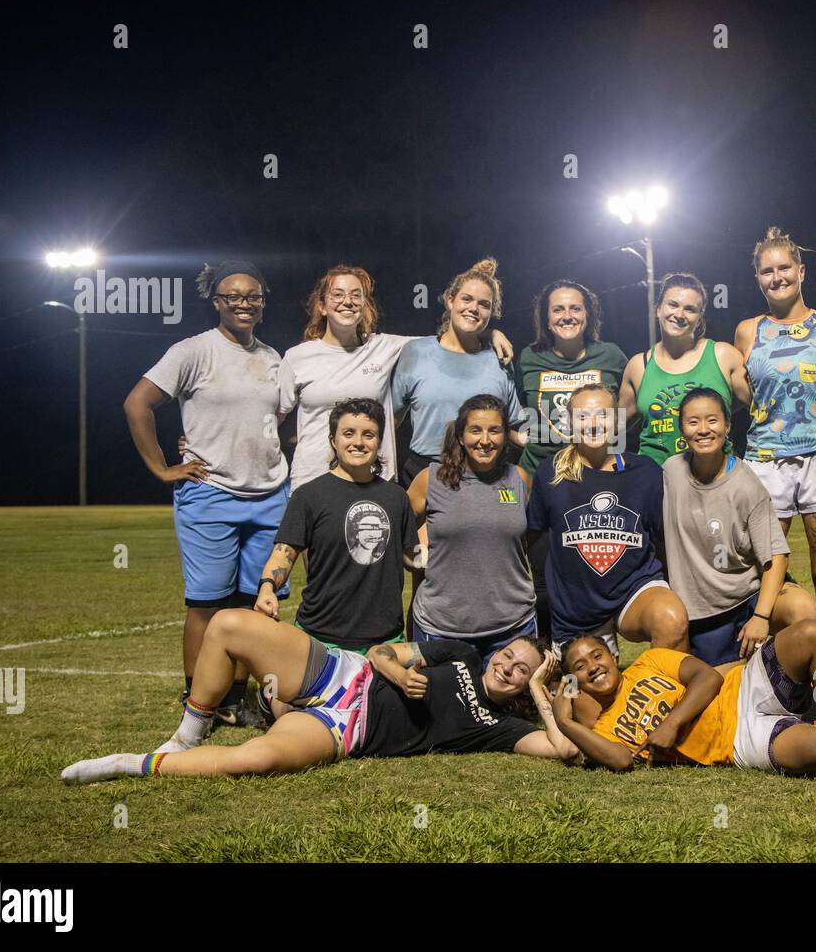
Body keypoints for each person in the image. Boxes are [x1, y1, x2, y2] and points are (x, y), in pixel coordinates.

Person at [61, 625, 578, 784]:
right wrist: (396, 670)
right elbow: (381, 651)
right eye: (508, 656)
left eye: (520, 671)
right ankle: (186, 735)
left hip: (343, 728)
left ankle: (131, 765)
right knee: (226, 626)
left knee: (255, 760)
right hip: (342, 671)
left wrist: (540, 691)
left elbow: (561, 751)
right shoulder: (460, 654)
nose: (507, 667)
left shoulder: (498, 727)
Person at [553, 621, 816, 803]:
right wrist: (564, 720)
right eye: (580, 667)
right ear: (576, 683)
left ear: (612, 656)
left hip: (746, 685)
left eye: (597, 655)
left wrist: (671, 724)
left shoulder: (648, 662)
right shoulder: (606, 730)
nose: (593, 666)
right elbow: (620, 760)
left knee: (813, 632)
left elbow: (708, 678)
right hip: (740, 741)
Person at [122, 259, 286, 728]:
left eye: (252, 295)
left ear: (262, 302)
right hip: (210, 493)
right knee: (206, 603)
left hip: (271, 492)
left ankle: (236, 698)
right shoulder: (193, 351)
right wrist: (163, 468)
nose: (243, 303)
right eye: (232, 296)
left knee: (255, 602)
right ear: (216, 302)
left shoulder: (273, 358)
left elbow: (279, 421)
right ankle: (197, 701)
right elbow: (138, 403)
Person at [278, 264, 513, 491]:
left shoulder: (385, 347)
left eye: (356, 295)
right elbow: (277, 420)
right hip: (313, 475)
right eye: (337, 294)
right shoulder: (297, 358)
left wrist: (490, 332)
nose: (347, 301)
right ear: (322, 305)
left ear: (365, 304)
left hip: (370, 478)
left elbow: (451, 339)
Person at [734, 228, 816, 658]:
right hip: (766, 463)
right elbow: (744, 396)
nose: (777, 276)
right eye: (767, 271)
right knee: (763, 579)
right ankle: (763, 681)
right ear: (758, 278)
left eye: (785, 267)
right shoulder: (748, 331)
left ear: (801, 271)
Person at [527, 383, 688, 657]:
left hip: (633, 589)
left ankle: (668, 695)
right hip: (576, 607)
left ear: (616, 420)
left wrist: (671, 587)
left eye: (602, 415)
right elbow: (536, 539)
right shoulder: (550, 473)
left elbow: (663, 538)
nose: (592, 424)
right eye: (582, 416)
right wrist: (548, 598)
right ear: (569, 422)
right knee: (581, 692)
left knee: (671, 619)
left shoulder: (644, 471)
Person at [662, 388, 816, 666]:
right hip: (703, 611)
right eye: (693, 422)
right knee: (717, 689)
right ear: (681, 430)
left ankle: (808, 699)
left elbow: (777, 557)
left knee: (802, 608)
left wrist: (761, 616)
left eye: (712, 420)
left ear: (727, 426)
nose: (703, 430)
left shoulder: (746, 483)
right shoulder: (670, 473)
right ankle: (753, 666)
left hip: (748, 597)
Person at [515, 279, 628, 641]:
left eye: (575, 308)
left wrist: (613, 447)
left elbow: (626, 410)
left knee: (592, 574)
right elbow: (513, 410)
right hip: (543, 482)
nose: (567, 315)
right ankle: (547, 659)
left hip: (592, 481)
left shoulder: (611, 355)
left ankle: (597, 657)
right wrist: (524, 436)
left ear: (588, 313)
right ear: (546, 319)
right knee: (543, 579)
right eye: (558, 309)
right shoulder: (528, 357)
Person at [258, 399, 416, 655]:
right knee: (287, 695)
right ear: (333, 440)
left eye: (369, 435)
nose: (358, 442)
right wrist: (267, 587)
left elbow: (412, 557)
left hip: (384, 640)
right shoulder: (310, 495)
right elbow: (284, 552)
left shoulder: (396, 497)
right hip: (320, 635)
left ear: (379, 441)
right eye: (348, 433)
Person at [407, 395, 538, 663]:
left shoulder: (519, 479)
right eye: (476, 430)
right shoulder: (430, 479)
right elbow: (397, 525)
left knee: (512, 705)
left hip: (512, 627)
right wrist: (416, 555)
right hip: (442, 629)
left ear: (505, 436)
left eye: (495, 430)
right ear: (460, 435)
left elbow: (532, 542)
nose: (485, 440)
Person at [391, 257, 526, 487]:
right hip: (425, 474)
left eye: (484, 304)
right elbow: (391, 420)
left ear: (491, 313)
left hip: (484, 476)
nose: (474, 308)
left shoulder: (500, 358)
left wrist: (556, 440)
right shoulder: (415, 352)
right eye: (467, 299)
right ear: (450, 301)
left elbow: (514, 427)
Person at [619, 272, 750, 465]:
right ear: (658, 309)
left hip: (715, 479)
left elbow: (762, 410)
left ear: (700, 318)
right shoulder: (639, 365)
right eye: (672, 305)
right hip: (657, 481)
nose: (679, 315)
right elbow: (614, 428)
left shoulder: (723, 356)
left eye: (690, 309)